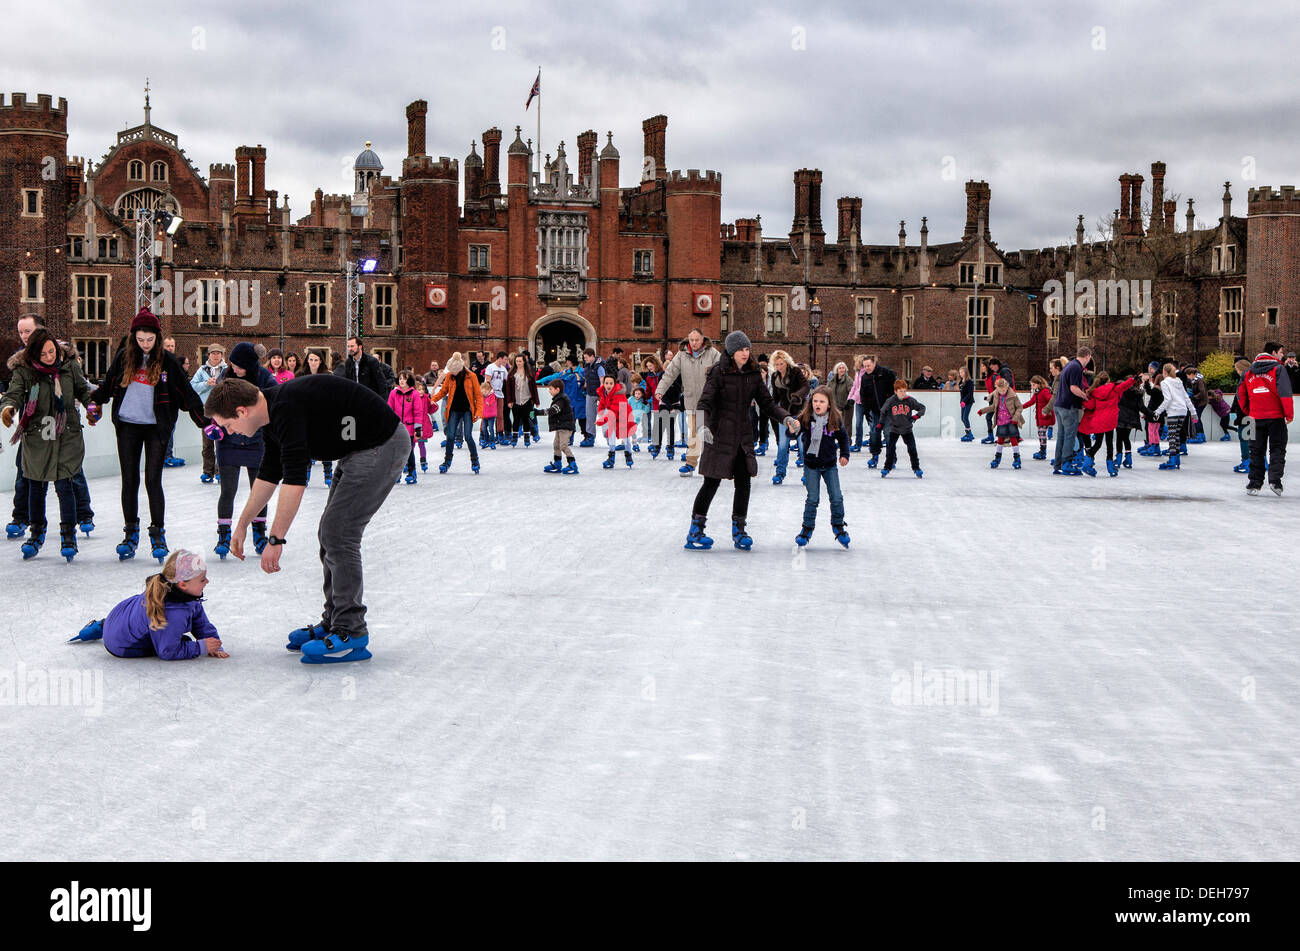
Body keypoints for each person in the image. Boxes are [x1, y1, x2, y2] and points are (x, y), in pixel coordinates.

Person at [207, 373, 411, 663]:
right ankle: (335, 620)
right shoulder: (271, 414)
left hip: (381, 445)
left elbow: (294, 480)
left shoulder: (285, 408)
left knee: (339, 533)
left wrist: (276, 539)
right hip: (358, 449)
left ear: (242, 411)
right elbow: (270, 472)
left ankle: (351, 631)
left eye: (228, 425)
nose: (231, 432)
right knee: (331, 533)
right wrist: (241, 525)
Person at [88, 307, 207, 562]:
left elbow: (187, 395)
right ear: (133, 337)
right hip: (128, 426)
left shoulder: (168, 363)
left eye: (149, 340)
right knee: (129, 480)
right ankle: (130, 533)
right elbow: (108, 386)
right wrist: (92, 401)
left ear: (158, 338)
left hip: (156, 427)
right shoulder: (123, 357)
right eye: (140, 340)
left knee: (153, 480)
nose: (145, 345)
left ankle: (157, 533)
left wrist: (204, 422)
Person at [685, 331, 799, 551]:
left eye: (747, 349)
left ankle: (739, 529)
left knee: (744, 483)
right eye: (740, 350)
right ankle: (695, 529)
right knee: (711, 482)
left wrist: (785, 417)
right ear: (731, 351)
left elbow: (767, 404)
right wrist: (702, 426)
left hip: (743, 437)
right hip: (718, 436)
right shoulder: (718, 373)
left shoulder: (754, 374)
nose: (745, 353)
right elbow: (704, 403)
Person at [0, 330, 98, 560]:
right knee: (36, 487)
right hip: (37, 437)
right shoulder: (24, 370)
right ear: (34, 353)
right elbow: (13, 393)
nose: (49, 357)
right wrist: (8, 409)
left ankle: (68, 536)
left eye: (51, 351)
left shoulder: (69, 365)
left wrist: (92, 407)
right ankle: (36, 533)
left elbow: (83, 389)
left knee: (66, 487)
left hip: (66, 435)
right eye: (43, 354)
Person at [69, 550, 228, 659]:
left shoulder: (178, 591)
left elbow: (200, 621)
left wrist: (214, 643)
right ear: (182, 585)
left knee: (173, 635)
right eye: (202, 580)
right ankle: (101, 630)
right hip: (122, 645)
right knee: (179, 641)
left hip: (116, 618)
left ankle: (101, 627)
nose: (207, 582)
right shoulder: (172, 613)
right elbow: (167, 652)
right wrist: (201, 647)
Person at [211, 342, 275, 558]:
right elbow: (216, 406)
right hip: (229, 443)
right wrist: (215, 427)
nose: (234, 368)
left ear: (249, 365)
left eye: (238, 366)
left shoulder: (264, 378)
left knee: (258, 491)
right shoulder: (225, 379)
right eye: (232, 364)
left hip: (257, 442)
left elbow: (273, 402)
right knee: (228, 490)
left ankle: (259, 533)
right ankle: (224, 534)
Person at [655, 329, 721, 476]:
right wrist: (661, 390)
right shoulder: (682, 355)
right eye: (692, 340)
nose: (694, 343)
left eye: (697, 340)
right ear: (688, 340)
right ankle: (691, 463)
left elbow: (725, 371)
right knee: (694, 433)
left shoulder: (713, 353)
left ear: (702, 340)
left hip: (710, 401)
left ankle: (715, 461)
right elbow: (670, 373)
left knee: (713, 432)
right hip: (691, 400)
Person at [794, 386, 851, 548]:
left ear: (829, 404)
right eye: (815, 401)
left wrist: (845, 454)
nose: (817, 404)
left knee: (836, 497)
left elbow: (843, 438)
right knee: (812, 499)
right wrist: (792, 430)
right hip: (811, 465)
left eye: (822, 401)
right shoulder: (805, 418)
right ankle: (807, 528)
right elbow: (793, 434)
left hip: (830, 465)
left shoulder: (834, 420)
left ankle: (838, 526)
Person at [1237, 342, 1294, 495]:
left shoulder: (1248, 372)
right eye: (1281, 352)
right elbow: (1285, 393)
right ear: (1274, 352)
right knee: (1277, 449)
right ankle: (1275, 482)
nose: (1282, 355)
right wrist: (1289, 414)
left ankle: (1254, 484)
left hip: (1254, 418)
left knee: (1255, 451)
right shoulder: (1278, 369)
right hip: (1275, 418)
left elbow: (1240, 394)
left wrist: (1249, 410)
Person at [429, 352, 482, 473]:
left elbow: (478, 396)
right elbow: (443, 391)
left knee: (468, 436)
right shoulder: (450, 377)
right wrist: (433, 399)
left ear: (460, 368)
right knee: (450, 436)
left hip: (467, 410)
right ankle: (447, 461)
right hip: (454, 410)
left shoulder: (471, 376)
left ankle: (475, 461)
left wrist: (479, 411)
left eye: (454, 371)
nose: (452, 373)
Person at [1079, 371, 1136, 477]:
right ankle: (1110, 466)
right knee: (1109, 444)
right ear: (1108, 380)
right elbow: (1125, 385)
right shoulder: (1113, 389)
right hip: (1109, 420)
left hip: (1098, 420)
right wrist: (1134, 379)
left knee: (1098, 443)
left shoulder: (1094, 391)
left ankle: (1087, 462)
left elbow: (1090, 405)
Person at [767, 350, 809, 485]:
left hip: (799, 412)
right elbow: (775, 397)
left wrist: (798, 395)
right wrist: (772, 409)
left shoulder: (795, 372)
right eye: (777, 364)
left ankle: (807, 474)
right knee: (782, 445)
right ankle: (780, 473)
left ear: (786, 362)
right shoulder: (774, 376)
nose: (780, 366)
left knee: (802, 444)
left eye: (781, 363)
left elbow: (806, 386)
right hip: (784, 414)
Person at [190, 343, 227, 483]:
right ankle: (207, 471)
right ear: (209, 355)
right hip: (207, 411)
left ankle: (220, 470)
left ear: (222, 355)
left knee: (221, 441)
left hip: (221, 410)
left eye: (218, 353)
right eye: (213, 353)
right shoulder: (202, 370)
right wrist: (206, 383)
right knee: (207, 443)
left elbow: (232, 385)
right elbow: (192, 386)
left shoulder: (226, 369)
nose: (216, 355)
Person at [1052, 346, 1091, 475]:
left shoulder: (1070, 365)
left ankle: (1058, 464)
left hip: (1059, 405)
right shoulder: (1076, 367)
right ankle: (1067, 463)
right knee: (1069, 435)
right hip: (1068, 406)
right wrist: (1085, 396)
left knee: (1062, 435)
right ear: (1087, 356)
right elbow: (1074, 388)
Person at [876, 378, 926, 477]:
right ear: (895, 391)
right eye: (900, 391)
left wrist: (916, 416)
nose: (903, 393)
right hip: (894, 429)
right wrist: (881, 423)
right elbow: (883, 411)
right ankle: (887, 467)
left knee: (912, 449)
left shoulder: (910, 400)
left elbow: (922, 408)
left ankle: (916, 467)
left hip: (907, 429)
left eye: (904, 391)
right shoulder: (891, 400)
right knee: (890, 449)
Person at [388, 369, 431, 484]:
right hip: (397, 428)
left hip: (409, 429)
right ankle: (397, 473)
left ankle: (412, 472)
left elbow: (418, 412)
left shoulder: (414, 394)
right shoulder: (393, 393)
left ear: (409, 380)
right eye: (400, 378)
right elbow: (389, 410)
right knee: (396, 451)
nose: (402, 381)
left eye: (404, 379)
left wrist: (418, 428)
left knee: (408, 451)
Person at [299, 351, 335, 486]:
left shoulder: (327, 376)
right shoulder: (301, 375)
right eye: (311, 359)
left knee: (325, 445)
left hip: (323, 415)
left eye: (316, 360)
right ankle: (306, 473)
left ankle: (328, 473)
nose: (313, 362)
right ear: (307, 361)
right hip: (306, 415)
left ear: (320, 361)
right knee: (307, 446)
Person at [856, 356, 897, 467]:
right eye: (865, 366)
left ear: (874, 364)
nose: (867, 368)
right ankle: (875, 456)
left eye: (869, 365)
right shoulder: (865, 378)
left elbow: (896, 389)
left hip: (888, 411)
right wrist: (865, 411)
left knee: (888, 434)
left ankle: (891, 457)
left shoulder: (886, 373)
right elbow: (863, 395)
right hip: (874, 411)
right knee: (874, 435)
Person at [978, 375, 1025, 469]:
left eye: (1003, 390)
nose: (1002, 392)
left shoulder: (1013, 395)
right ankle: (997, 458)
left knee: (1013, 440)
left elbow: (1020, 407)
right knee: (1000, 441)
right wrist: (982, 411)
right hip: (1001, 422)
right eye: (1000, 390)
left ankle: (1017, 459)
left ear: (1007, 387)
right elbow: (993, 407)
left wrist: (1015, 418)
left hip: (1011, 421)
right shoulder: (996, 395)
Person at [1157, 363, 1195, 471]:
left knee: (1172, 435)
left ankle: (1172, 459)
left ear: (1165, 372)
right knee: (1176, 434)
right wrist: (1193, 411)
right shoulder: (1179, 381)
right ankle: (1176, 459)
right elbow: (1186, 397)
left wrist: (1158, 411)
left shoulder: (1164, 383)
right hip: (1183, 410)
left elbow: (1167, 399)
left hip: (1173, 411)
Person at [595, 372, 637, 469]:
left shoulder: (619, 394)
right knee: (611, 435)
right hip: (613, 416)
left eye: (611, 383)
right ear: (603, 383)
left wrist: (602, 420)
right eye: (606, 383)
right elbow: (602, 403)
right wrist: (600, 414)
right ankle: (611, 458)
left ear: (614, 384)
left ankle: (628, 455)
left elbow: (613, 412)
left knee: (625, 436)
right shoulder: (604, 392)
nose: (608, 385)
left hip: (623, 414)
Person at [542, 378, 578, 474]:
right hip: (560, 426)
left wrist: (540, 412)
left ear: (557, 389)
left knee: (563, 445)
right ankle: (557, 463)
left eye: (551, 389)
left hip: (566, 427)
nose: (549, 391)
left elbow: (554, 410)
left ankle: (572, 464)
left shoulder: (561, 399)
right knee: (556, 445)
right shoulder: (558, 398)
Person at [504, 353, 540, 446]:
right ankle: (514, 438)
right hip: (516, 400)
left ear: (524, 362)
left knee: (525, 418)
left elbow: (534, 388)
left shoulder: (529, 373)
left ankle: (527, 438)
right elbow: (508, 389)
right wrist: (509, 401)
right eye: (517, 361)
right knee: (516, 419)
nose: (518, 363)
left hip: (527, 399)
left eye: (520, 361)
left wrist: (536, 401)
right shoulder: (511, 373)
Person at [979, 358, 1015, 443]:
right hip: (993, 400)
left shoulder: (995, 376)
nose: (981, 368)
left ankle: (1010, 436)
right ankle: (992, 436)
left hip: (999, 400)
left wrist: (994, 396)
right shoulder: (987, 377)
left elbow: (1000, 387)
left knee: (1001, 418)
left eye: (982, 366)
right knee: (990, 417)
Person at [579, 348, 605, 447]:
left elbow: (602, 380)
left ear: (592, 356)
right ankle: (590, 436)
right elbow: (587, 377)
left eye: (586, 358)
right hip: (590, 393)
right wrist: (585, 386)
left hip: (598, 395)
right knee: (590, 416)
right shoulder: (587, 366)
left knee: (603, 416)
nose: (585, 359)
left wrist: (601, 394)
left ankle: (609, 437)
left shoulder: (599, 367)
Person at [1023, 375, 1053, 460]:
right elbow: (1031, 402)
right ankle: (1042, 450)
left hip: (1045, 416)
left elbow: (1051, 400)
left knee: (1042, 433)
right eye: (1031, 385)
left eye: (1033, 385)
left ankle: (1043, 451)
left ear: (1039, 384)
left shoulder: (1045, 391)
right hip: (1040, 417)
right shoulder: (1037, 393)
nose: (1032, 387)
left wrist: (1047, 411)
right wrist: (1021, 407)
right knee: (1040, 433)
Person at [958, 365, 976, 442]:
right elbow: (962, 394)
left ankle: (969, 434)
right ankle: (968, 433)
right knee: (962, 418)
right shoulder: (960, 382)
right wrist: (961, 401)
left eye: (962, 372)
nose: (960, 373)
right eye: (960, 372)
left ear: (965, 372)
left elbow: (970, 393)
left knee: (965, 417)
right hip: (963, 402)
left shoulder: (969, 382)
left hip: (968, 402)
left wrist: (964, 401)